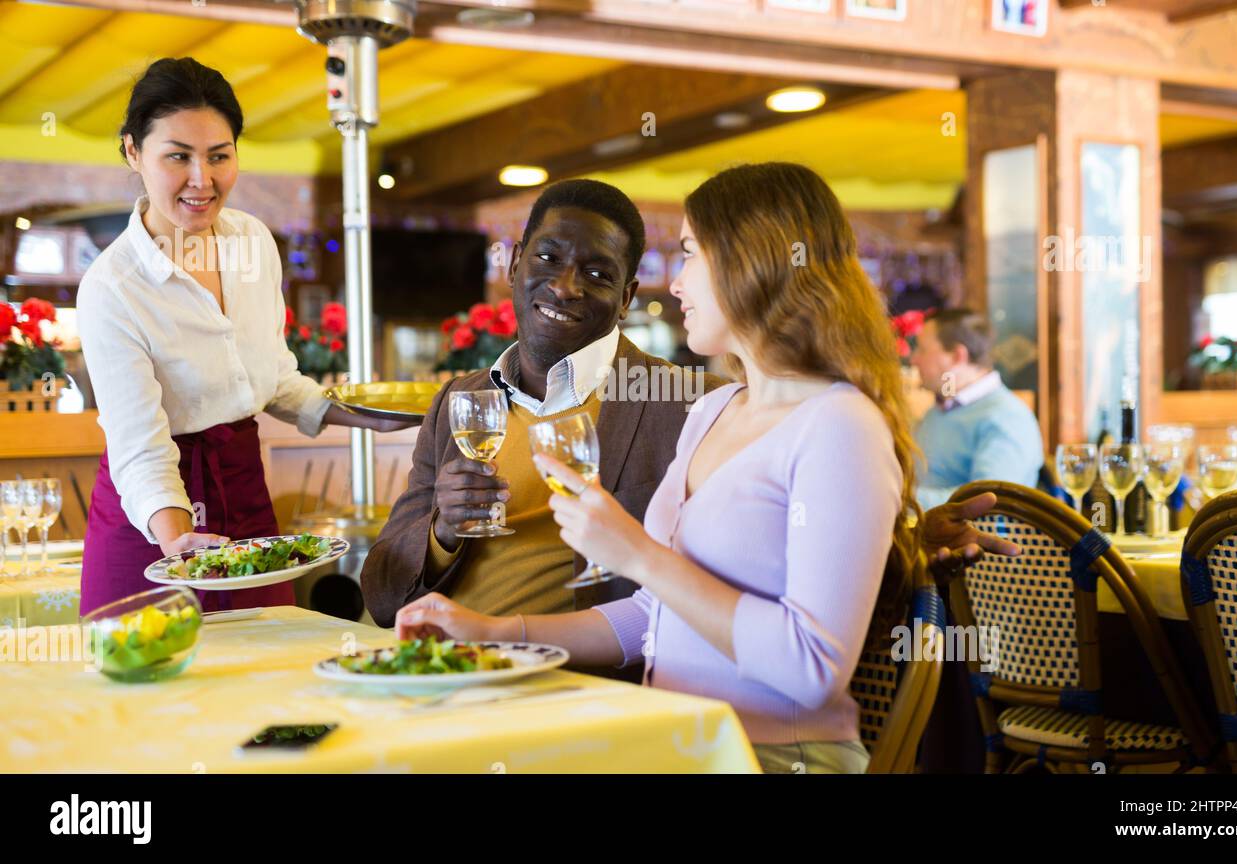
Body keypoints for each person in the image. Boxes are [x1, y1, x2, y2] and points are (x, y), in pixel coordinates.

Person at [393, 163, 930, 773]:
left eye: (690, 254)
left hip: (771, 755)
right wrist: (491, 633)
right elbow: (656, 615)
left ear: (750, 261)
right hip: (673, 740)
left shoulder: (839, 425)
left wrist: (636, 554)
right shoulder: (714, 409)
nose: (674, 284)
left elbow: (812, 670)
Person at [77, 57, 411, 614]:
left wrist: (363, 413)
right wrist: (176, 541)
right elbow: (139, 447)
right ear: (133, 152)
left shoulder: (252, 241)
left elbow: (273, 377)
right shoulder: (112, 287)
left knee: (267, 672)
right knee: (154, 689)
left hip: (243, 489)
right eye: (177, 156)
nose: (201, 180)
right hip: (151, 517)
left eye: (219, 156)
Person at [360, 180, 725, 637]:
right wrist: (443, 533)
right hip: (447, 670)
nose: (565, 287)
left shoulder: (693, 403)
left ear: (626, 298)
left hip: (575, 682)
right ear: (515, 264)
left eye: (596, 275)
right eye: (548, 259)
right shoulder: (457, 401)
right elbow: (382, 597)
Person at [909, 309, 1043, 510]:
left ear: (957, 356)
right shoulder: (940, 410)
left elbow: (990, 505)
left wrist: (898, 500)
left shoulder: (1007, 417)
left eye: (922, 349)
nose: (914, 360)